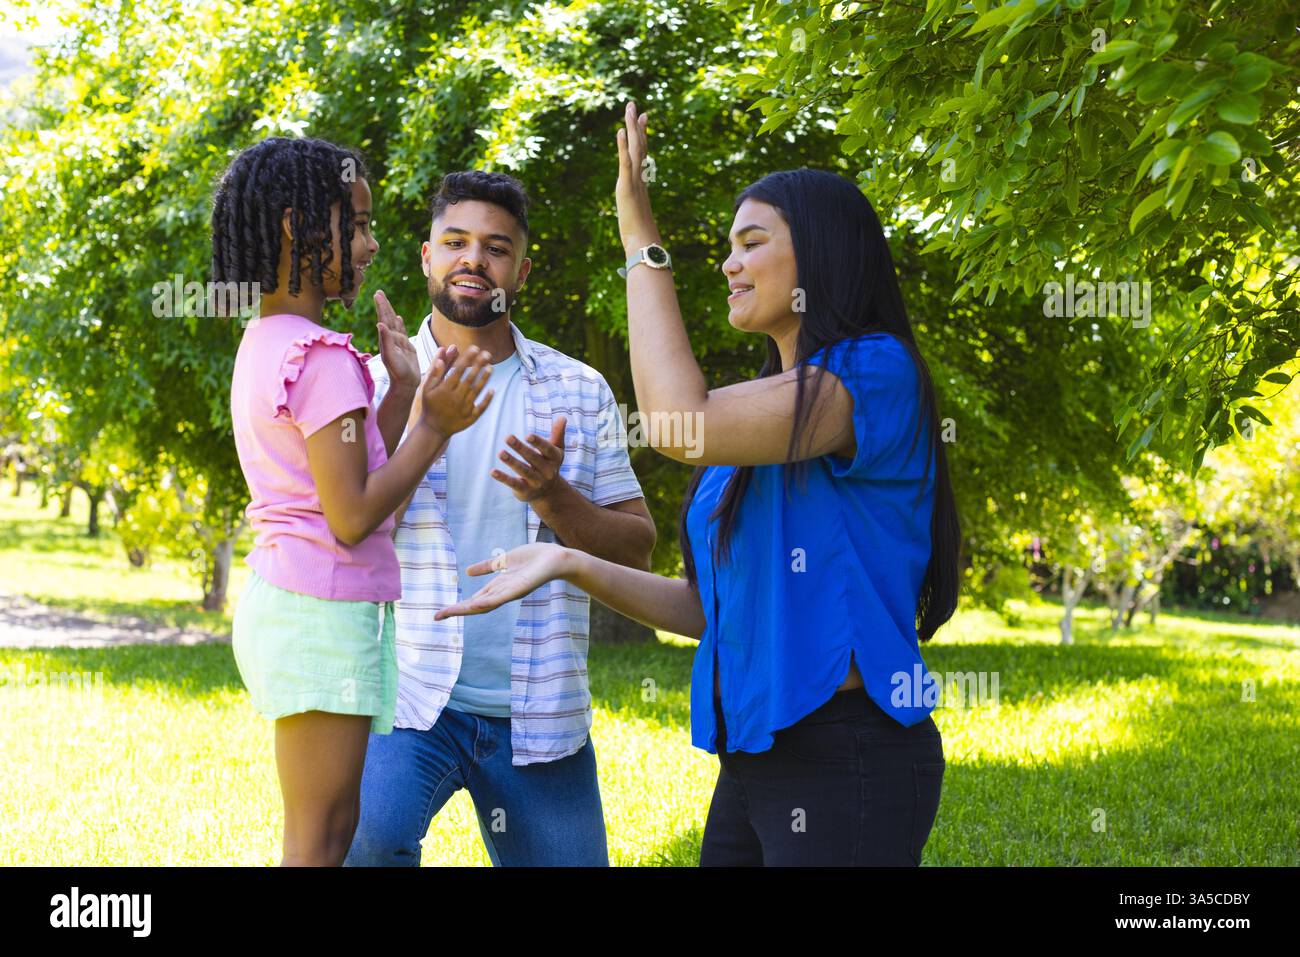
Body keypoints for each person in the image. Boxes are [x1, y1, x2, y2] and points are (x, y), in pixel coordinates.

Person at [436, 103, 963, 866]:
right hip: (755, 760)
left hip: (851, 750)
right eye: (727, 246)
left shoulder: (874, 373)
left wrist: (640, 239)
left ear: (821, 256)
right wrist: (568, 562)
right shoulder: (754, 423)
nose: (729, 263)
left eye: (752, 243)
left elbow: (678, 421)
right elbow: (705, 608)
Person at [343, 171, 656, 867]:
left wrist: (555, 500)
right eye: (455, 241)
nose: (473, 261)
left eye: (496, 247)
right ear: (426, 255)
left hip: (540, 714)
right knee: (363, 842)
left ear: (523, 267)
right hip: (408, 701)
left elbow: (638, 549)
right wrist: (411, 418)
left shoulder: (579, 388)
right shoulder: (368, 382)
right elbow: (345, 533)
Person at [218, 137, 495, 866]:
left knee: (329, 832)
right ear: (293, 226)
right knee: (319, 838)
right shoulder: (325, 358)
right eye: (360, 224)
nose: (371, 245)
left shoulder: (275, 341)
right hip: (318, 615)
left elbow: (347, 484)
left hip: (300, 605)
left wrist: (401, 394)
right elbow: (352, 515)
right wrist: (436, 422)